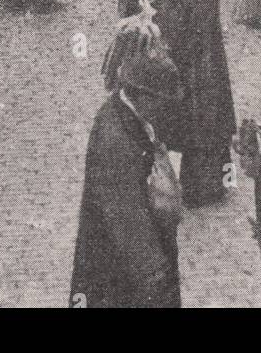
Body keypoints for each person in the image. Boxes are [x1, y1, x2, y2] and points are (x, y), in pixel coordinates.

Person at [68, 51, 185, 309]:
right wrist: (155, 275)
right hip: (120, 271)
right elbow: (127, 220)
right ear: (143, 96)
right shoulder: (117, 141)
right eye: (162, 102)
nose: (166, 110)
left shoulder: (124, 113)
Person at [153, 0, 236, 208]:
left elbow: (173, 31)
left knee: (193, 125)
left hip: (189, 67)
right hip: (210, 63)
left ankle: (198, 189)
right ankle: (217, 184)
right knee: (210, 125)